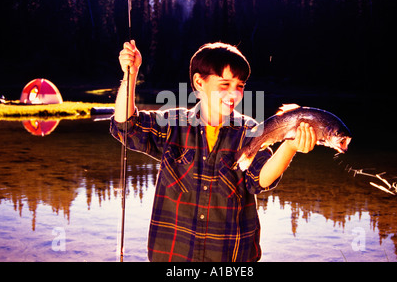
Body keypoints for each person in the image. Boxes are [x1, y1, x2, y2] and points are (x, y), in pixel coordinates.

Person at [110, 40, 316, 262]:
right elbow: (126, 127)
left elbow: (260, 179)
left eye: (240, 86)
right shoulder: (173, 123)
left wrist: (290, 146)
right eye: (224, 84)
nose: (234, 94)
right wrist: (131, 75)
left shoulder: (250, 131)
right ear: (199, 82)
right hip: (172, 256)